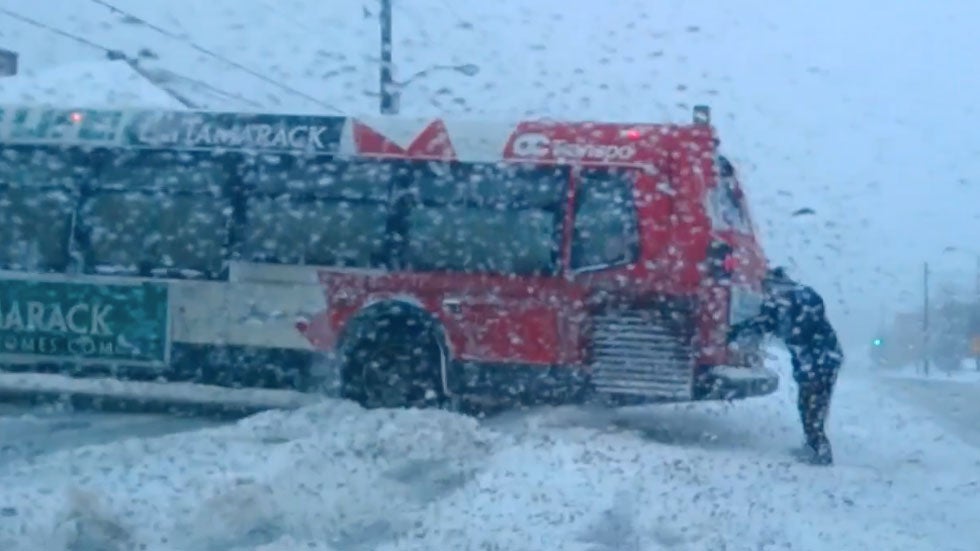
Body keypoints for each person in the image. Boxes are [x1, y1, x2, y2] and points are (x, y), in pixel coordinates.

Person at [727, 267, 844, 465]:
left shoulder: (802, 296)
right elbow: (761, 323)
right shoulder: (781, 303)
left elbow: (802, 325)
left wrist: (789, 326)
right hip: (814, 359)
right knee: (808, 403)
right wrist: (733, 333)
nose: (766, 294)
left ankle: (820, 451)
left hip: (820, 359)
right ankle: (814, 445)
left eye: (767, 289)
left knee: (813, 403)